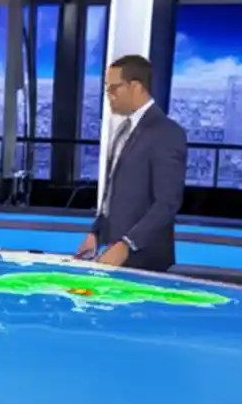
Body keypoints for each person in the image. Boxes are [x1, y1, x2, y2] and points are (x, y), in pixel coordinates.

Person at [75, 54, 187, 272]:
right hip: (115, 253)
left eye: (113, 88)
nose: (108, 95)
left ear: (136, 87)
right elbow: (112, 191)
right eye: (107, 88)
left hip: (145, 259)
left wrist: (128, 244)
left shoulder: (167, 132)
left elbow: (167, 203)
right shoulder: (122, 130)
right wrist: (96, 233)